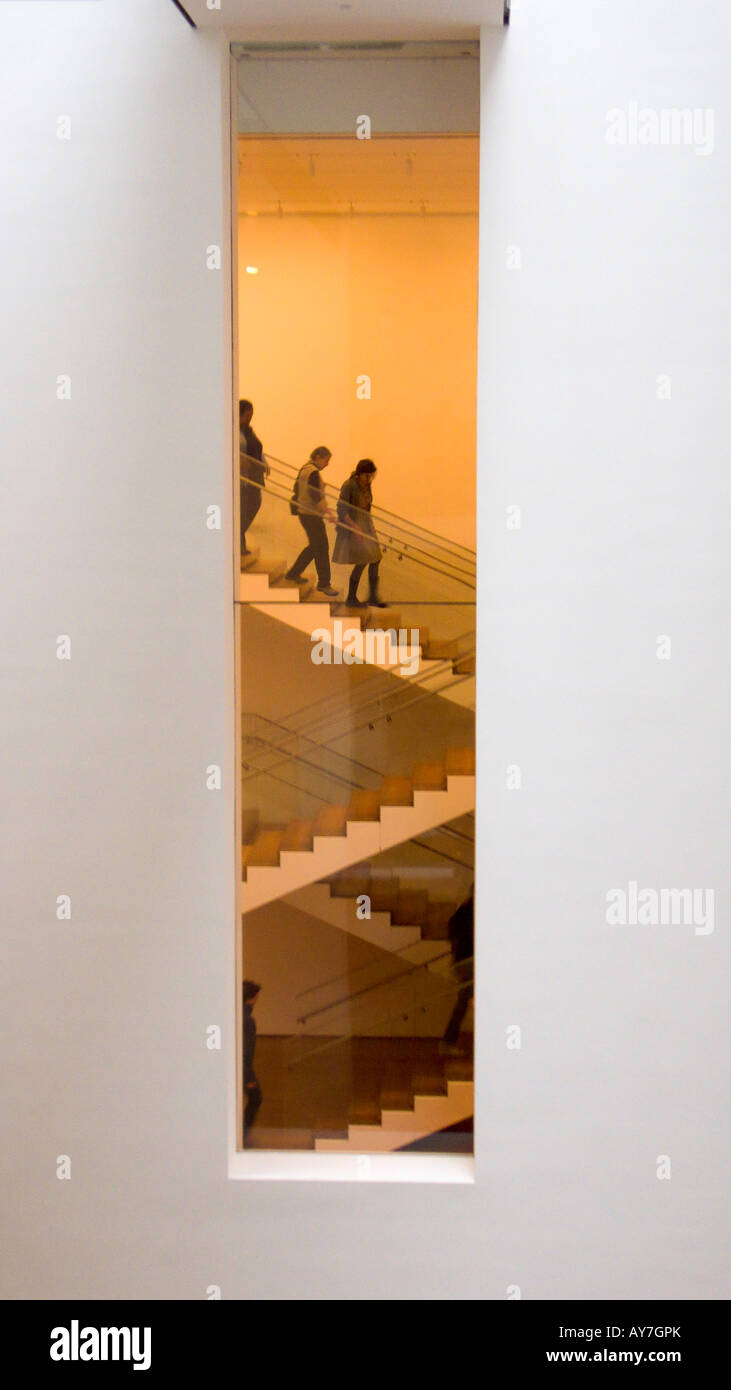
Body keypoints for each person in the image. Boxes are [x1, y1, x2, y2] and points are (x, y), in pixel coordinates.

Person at [284, 446, 339, 597]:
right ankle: (324, 584)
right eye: (327, 460)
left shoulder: (305, 468)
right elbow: (316, 497)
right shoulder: (313, 472)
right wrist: (329, 514)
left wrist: (321, 487)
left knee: (316, 547)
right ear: (319, 457)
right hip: (311, 515)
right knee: (321, 547)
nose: (327, 464)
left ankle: (293, 573)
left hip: (305, 513)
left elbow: (297, 488)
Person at [332, 458, 387, 608]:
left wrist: (370, 527)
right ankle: (351, 597)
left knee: (376, 558)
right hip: (355, 528)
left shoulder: (366, 486)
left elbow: (367, 508)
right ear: (359, 474)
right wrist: (355, 528)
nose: (369, 479)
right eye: (367, 476)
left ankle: (372, 596)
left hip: (366, 527)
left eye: (371, 476)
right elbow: (342, 510)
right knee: (363, 561)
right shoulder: (349, 485)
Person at [440, 892, 474, 1056]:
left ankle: (448, 1042)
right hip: (470, 961)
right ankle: (448, 1041)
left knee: (464, 1003)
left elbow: (451, 930)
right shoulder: (474, 911)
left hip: (463, 961)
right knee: (464, 1003)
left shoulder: (465, 909)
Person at [239, 400, 268, 556]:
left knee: (254, 505)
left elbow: (258, 448)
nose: (250, 418)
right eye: (248, 414)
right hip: (244, 480)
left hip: (255, 477)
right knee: (246, 509)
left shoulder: (248, 430)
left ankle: (238, 538)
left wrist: (265, 463)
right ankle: (237, 541)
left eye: (251, 414)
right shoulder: (234, 432)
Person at [242, 978, 263, 1133]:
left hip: (237, 1067)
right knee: (256, 1097)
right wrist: (248, 1077)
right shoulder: (248, 1020)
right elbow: (247, 1050)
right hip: (243, 1069)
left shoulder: (236, 1014)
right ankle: (242, 1132)